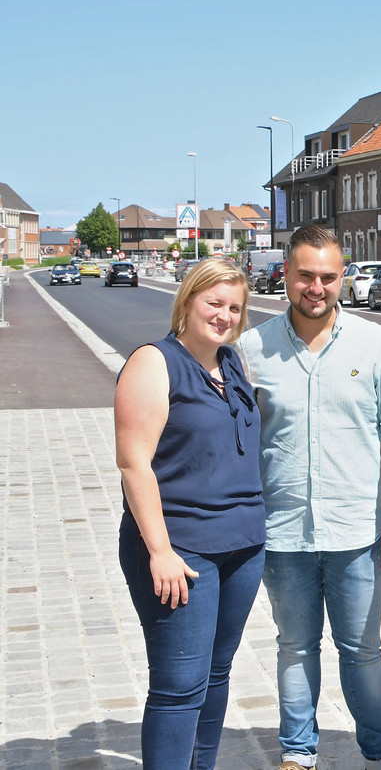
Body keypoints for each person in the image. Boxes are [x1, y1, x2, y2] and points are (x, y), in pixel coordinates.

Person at [237, 225, 381, 770]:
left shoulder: (376, 344)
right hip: (282, 530)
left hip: (356, 531)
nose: (315, 287)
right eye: (304, 276)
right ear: (286, 275)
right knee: (294, 647)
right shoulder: (252, 349)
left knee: (362, 650)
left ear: (343, 277)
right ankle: (298, 753)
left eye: (326, 276)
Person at [115, 259, 264, 770]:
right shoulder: (154, 362)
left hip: (242, 546)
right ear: (188, 301)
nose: (224, 316)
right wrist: (159, 551)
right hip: (181, 549)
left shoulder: (234, 363)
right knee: (179, 686)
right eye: (214, 303)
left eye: (235, 308)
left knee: (216, 673)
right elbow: (134, 464)